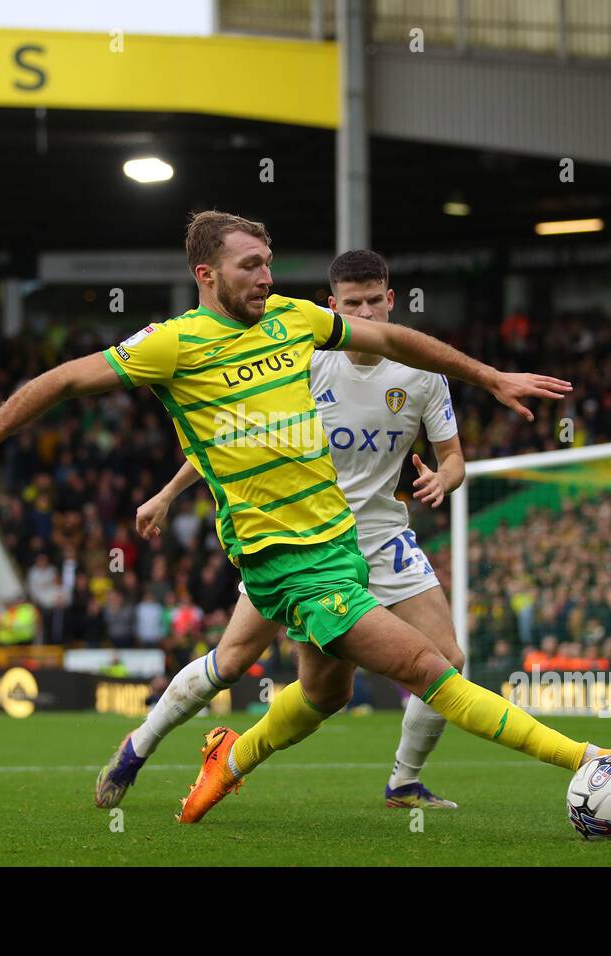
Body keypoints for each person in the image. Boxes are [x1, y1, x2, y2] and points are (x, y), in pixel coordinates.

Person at [0, 210, 611, 826]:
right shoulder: (171, 344)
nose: (267, 277)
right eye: (251, 266)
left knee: (325, 695)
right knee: (425, 665)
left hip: (344, 542)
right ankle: (591, 759)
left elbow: (395, 340)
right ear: (206, 274)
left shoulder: (294, 321)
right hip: (284, 560)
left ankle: (228, 760)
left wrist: (489, 374)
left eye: (270, 263)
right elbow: (60, 380)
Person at [95, 249, 469, 811]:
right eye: (353, 304)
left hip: (381, 534)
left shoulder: (422, 373)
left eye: (375, 301)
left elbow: (455, 458)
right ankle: (138, 745)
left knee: (448, 660)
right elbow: (236, 442)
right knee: (235, 663)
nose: (365, 313)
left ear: (391, 301)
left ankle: (404, 781)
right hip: (300, 536)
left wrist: (445, 479)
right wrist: (168, 493)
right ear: (333, 306)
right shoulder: (306, 360)